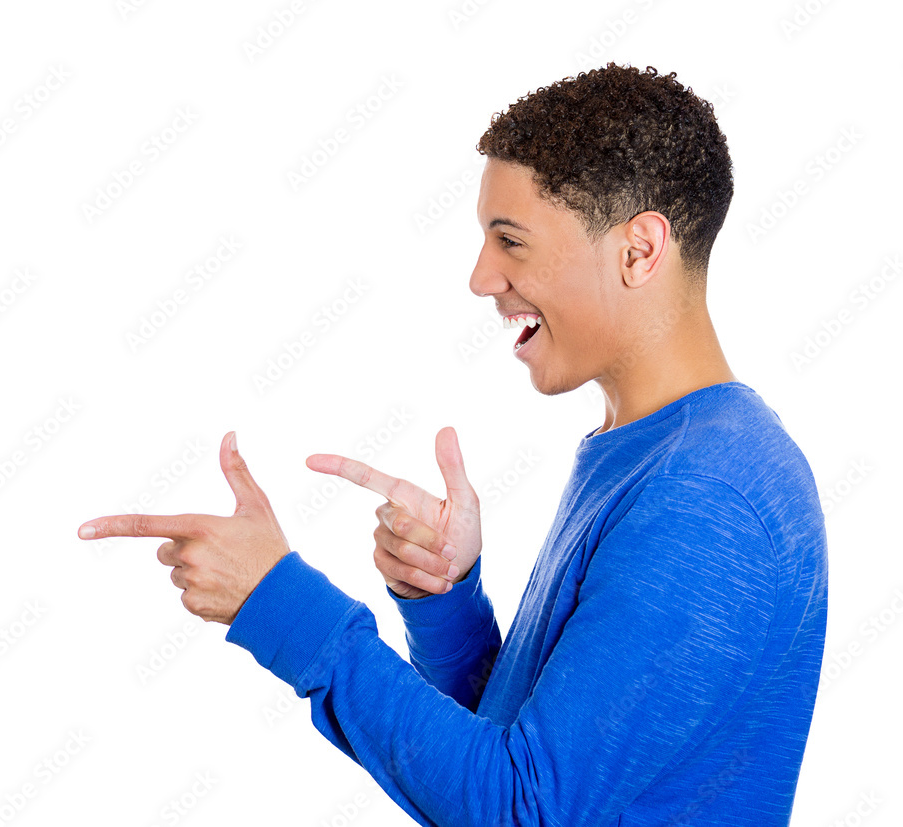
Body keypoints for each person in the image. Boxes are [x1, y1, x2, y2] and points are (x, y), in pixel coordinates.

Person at [78, 63, 828, 825]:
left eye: (511, 241)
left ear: (639, 249)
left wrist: (278, 600)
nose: (480, 277)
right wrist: (448, 601)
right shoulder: (648, 450)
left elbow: (520, 808)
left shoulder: (706, 495)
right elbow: (524, 751)